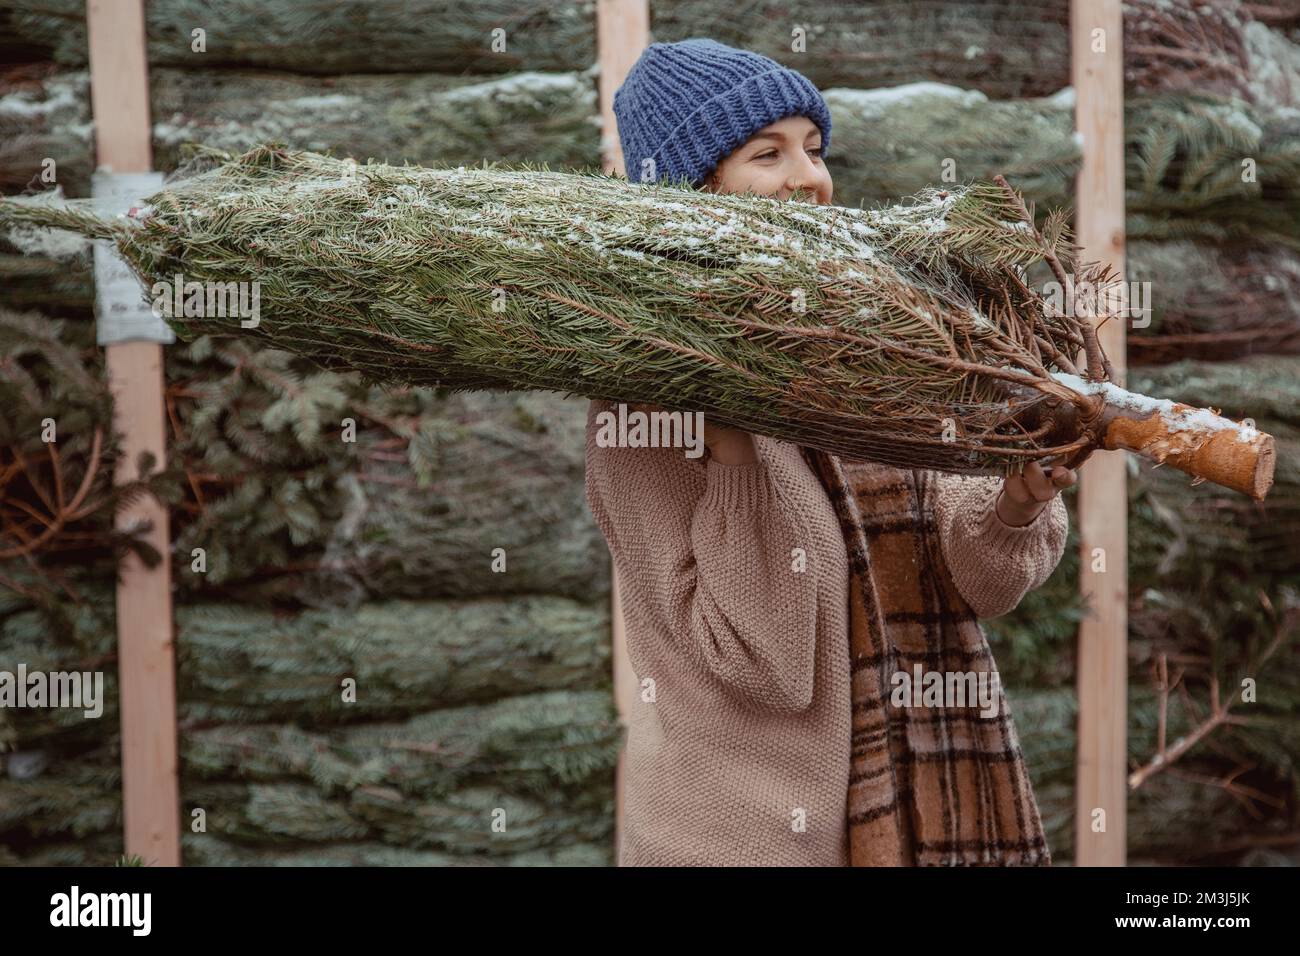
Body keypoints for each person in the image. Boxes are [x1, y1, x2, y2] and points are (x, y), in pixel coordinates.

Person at [586, 38, 1073, 866]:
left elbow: (980, 585)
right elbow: (757, 663)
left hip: (925, 813)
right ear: (692, 193)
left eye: (813, 147)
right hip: (739, 842)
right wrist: (735, 452)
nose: (809, 175)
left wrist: (1016, 503)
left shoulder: (877, 350)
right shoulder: (644, 400)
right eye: (766, 154)